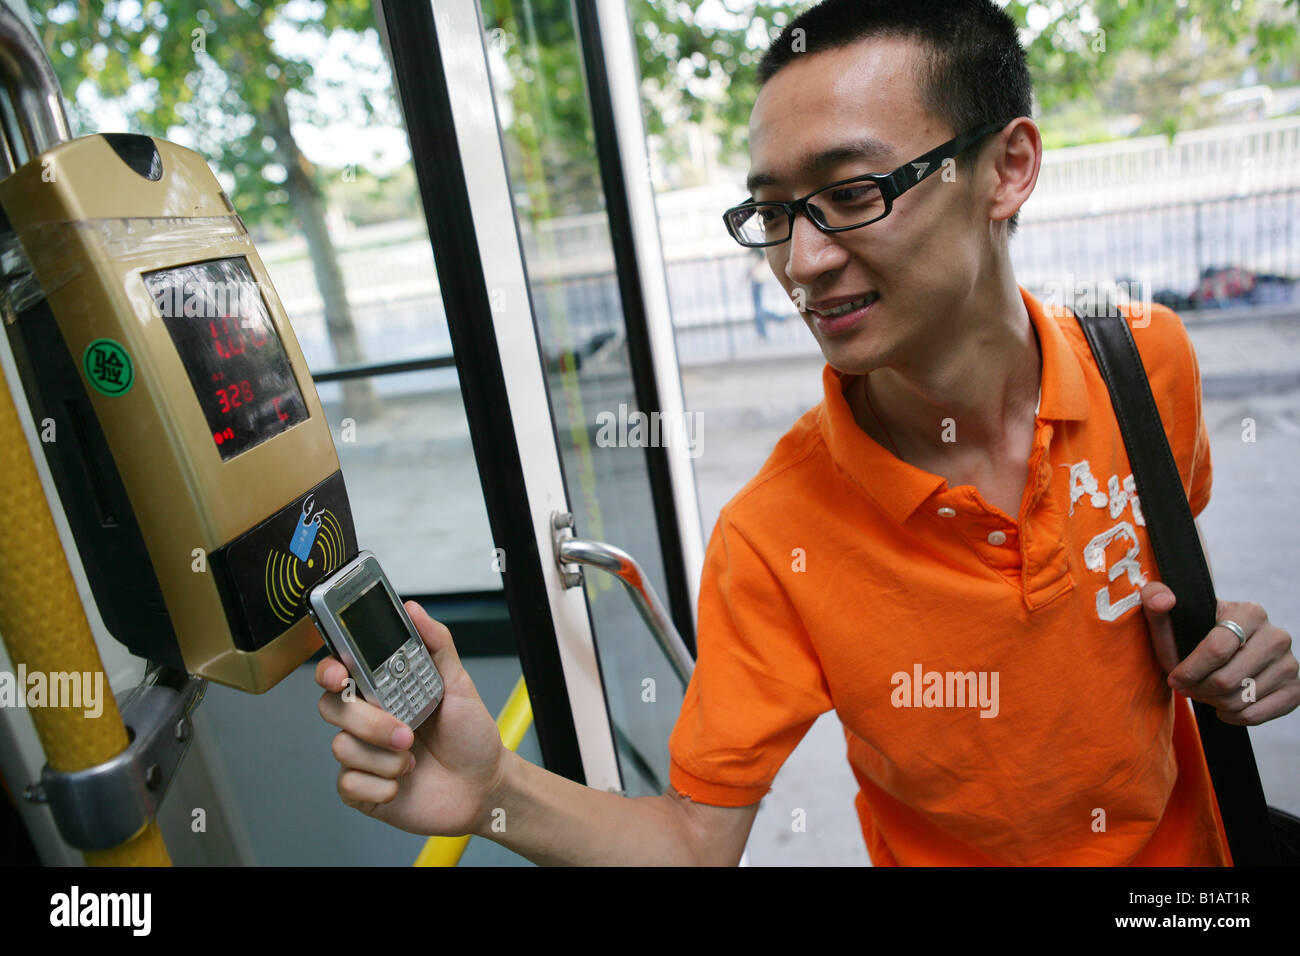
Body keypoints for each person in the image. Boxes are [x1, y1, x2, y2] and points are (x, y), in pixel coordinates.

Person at [315, 0, 1299, 865]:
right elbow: (694, 841)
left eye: (852, 191)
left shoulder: (1146, 362)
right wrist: (493, 794)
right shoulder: (772, 537)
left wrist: (1231, 650)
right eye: (774, 211)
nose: (803, 259)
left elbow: (1173, 601)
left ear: (1006, 167)